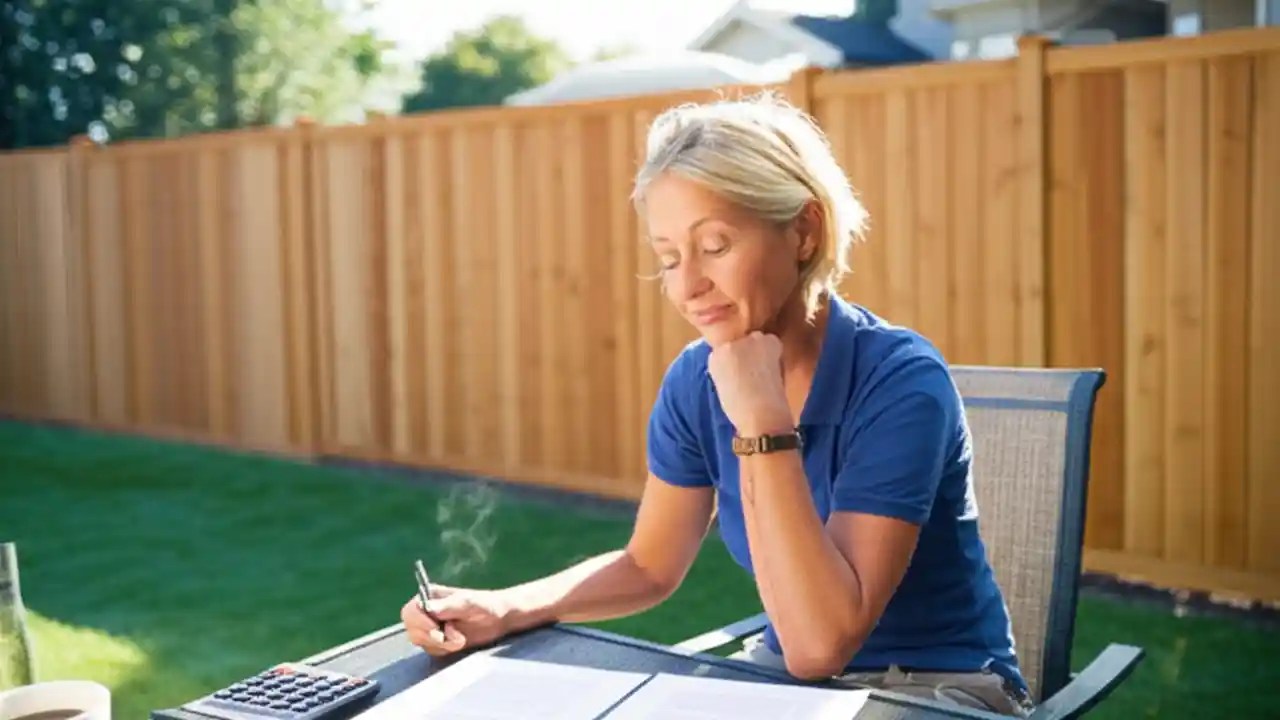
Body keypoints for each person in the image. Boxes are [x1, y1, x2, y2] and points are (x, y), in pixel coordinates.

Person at [400, 93, 1034, 716]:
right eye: (669, 257)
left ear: (803, 231)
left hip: (936, 690)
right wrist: (506, 607)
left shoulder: (900, 382)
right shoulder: (696, 381)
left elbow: (821, 645)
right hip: (790, 690)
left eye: (716, 245)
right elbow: (649, 564)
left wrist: (762, 422)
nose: (688, 285)